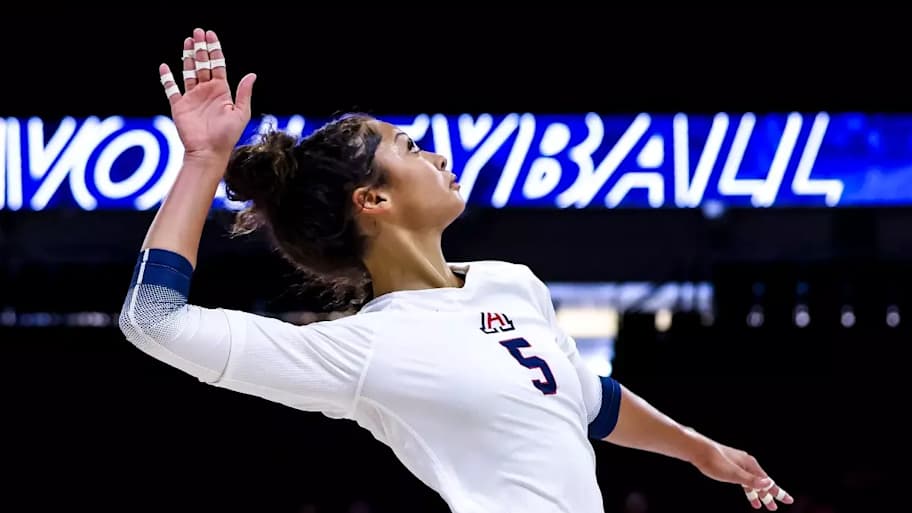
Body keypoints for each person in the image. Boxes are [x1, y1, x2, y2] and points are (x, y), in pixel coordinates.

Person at [119, 27, 795, 513]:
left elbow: (585, 399)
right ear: (373, 200)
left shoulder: (511, 282)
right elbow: (153, 320)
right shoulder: (364, 350)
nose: (436, 154)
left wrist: (704, 451)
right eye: (409, 146)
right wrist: (204, 162)